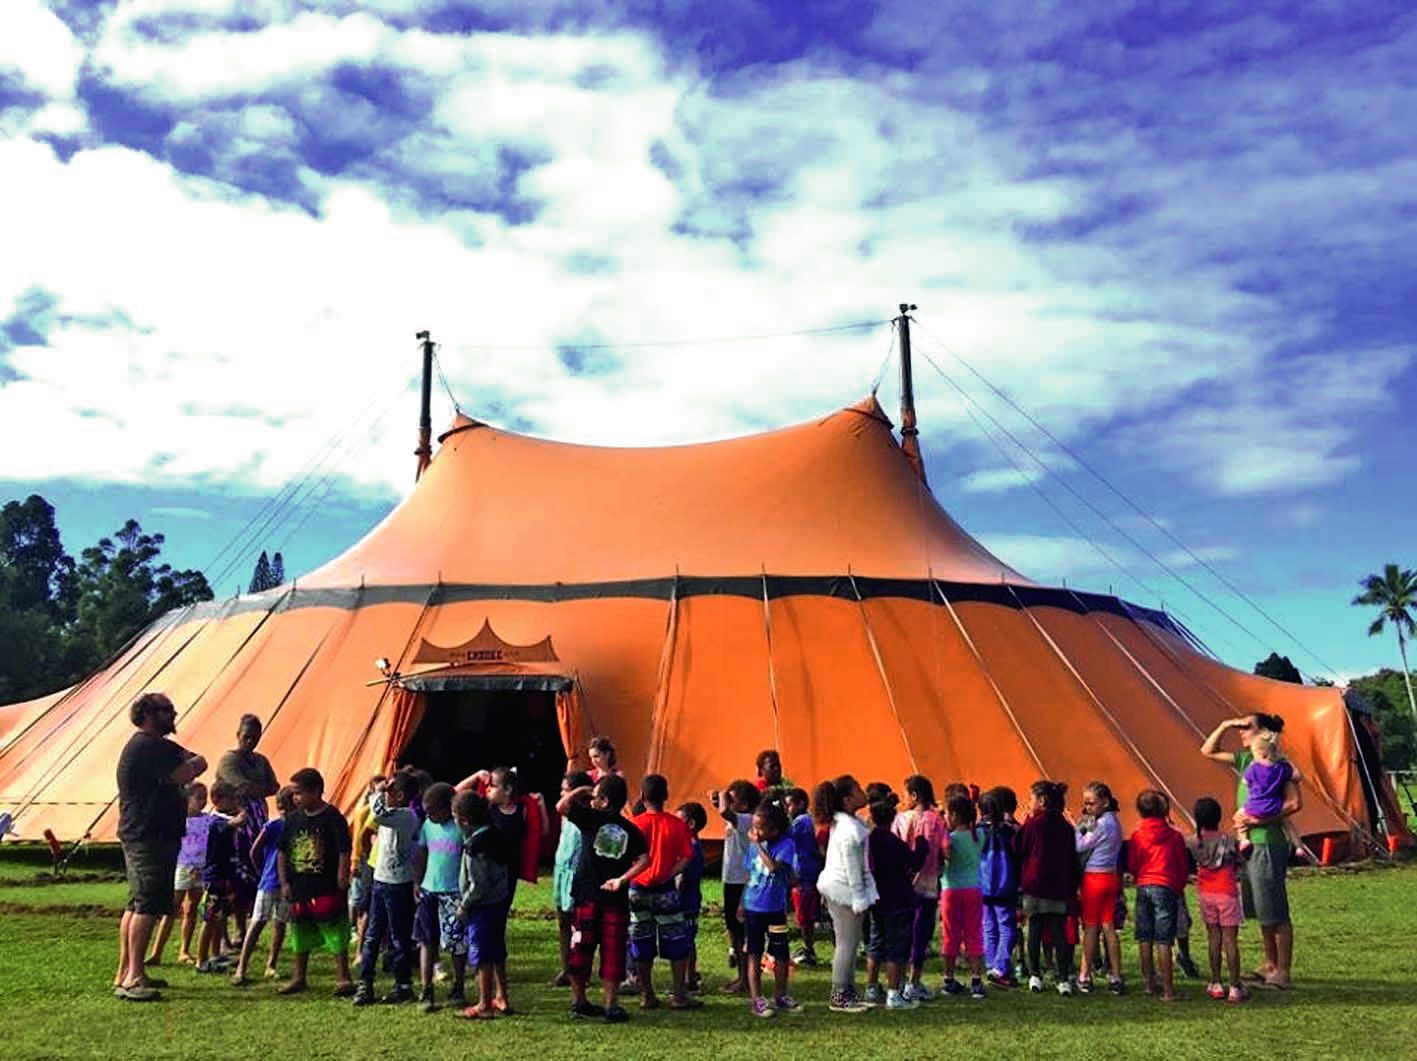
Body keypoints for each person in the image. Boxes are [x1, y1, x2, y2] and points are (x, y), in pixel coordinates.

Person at [114, 692, 207, 1002]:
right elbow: (187, 769)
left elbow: (197, 759)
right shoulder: (149, 747)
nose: (174, 714)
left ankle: (126, 971)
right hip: (149, 833)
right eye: (167, 711)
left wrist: (190, 763)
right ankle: (134, 977)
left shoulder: (152, 746)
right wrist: (189, 766)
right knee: (148, 904)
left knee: (136, 904)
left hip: (144, 832)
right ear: (149, 714)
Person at [1201, 713, 1302, 988]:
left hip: (1268, 840)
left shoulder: (1281, 764)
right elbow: (1207, 751)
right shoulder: (1247, 761)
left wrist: (1260, 820)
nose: (1242, 731)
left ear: (1264, 733)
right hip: (1249, 843)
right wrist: (1224, 724)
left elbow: (1294, 803)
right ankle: (1269, 963)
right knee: (1260, 907)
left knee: (1275, 908)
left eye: (1248, 727)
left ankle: (1283, 970)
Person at [558, 774, 650, 1023]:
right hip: (614, 900)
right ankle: (611, 1005)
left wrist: (579, 791)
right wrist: (622, 879)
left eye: (596, 797)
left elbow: (561, 807)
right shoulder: (630, 828)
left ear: (605, 801)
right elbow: (644, 859)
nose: (591, 800)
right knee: (612, 952)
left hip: (586, 897)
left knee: (581, 948)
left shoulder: (591, 818)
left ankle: (579, 1001)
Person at [278, 767, 355, 997]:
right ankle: (299, 976)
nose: (295, 798)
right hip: (299, 886)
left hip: (327, 886)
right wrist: (284, 882)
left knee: (334, 929)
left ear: (316, 791)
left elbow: (344, 848)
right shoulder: (292, 820)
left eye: (299, 793)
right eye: (293, 793)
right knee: (300, 930)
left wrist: (342, 874)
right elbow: (282, 852)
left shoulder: (333, 817)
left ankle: (343, 977)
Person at [629, 773, 698, 1010]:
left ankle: (647, 994)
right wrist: (671, 872)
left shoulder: (635, 824)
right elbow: (687, 857)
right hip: (666, 890)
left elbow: (626, 855)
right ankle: (679, 994)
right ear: (666, 796)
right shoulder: (676, 825)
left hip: (638, 887)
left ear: (641, 796)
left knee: (641, 939)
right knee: (676, 940)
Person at [354, 771, 420, 1006]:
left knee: (398, 937)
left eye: (391, 791)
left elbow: (378, 813)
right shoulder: (395, 814)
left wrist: (379, 790)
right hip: (381, 881)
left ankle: (403, 985)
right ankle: (365, 983)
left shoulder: (406, 816)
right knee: (373, 935)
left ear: (399, 795)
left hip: (398, 885)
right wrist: (383, 791)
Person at [214, 714, 279, 942]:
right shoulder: (228, 760)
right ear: (238, 735)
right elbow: (242, 787)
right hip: (237, 826)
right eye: (246, 736)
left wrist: (256, 789)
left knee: (252, 876)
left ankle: (246, 927)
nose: (250, 741)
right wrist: (258, 788)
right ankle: (234, 930)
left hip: (258, 822)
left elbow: (274, 786)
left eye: (255, 737)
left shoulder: (260, 760)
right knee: (234, 879)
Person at [815, 775, 875, 1014]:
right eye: (859, 789)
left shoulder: (849, 823)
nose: (864, 793)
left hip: (843, 889)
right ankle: (840, 994)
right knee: (847, 944)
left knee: (849, 941)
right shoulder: (849, 828)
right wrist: (859, 895)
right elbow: (852, 864)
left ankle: (847, 991)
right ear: (848, 799)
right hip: (845, 891)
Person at [1017, 780, 1081, 995]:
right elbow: (1073, 858)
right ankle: (1063, 977)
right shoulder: (1065, 827)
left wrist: (1027, 819)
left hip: (1035, 885)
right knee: (1058, 933)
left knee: (1035, 929)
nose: (1029, 803)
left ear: (1042, 801)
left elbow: (1017, 846)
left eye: (1031, 799)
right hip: (1059, 886)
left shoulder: (1034, 825)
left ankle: (1036, 974)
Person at [452, 788, 509, 1020]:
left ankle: (484, 1003)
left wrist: (464, 905)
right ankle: (502, 996)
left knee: (482, 954)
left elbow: (478, 884)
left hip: (482, 906)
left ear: (464, 821)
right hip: (499, 901)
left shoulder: (475, 846)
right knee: (497, 951)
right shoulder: (495, 832)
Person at [739, 800, 799, 1017]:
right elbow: (749, 875)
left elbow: (774, 868)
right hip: (753, 909)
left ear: (774, 829)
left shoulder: (786, 845)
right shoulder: (756, 847)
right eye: (753, 827)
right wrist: (741, 903)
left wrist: (757, 845)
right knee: (754, 953)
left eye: (760, 828)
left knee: (780, 953)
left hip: (775, 910)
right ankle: (757, 999)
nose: (754, 832)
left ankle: (780, 995)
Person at [1127, 789, 1188, 1002]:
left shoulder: (1137, 835)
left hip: (1144, 885)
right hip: (1166, 886)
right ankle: (1169, 990)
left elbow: (1133, 863)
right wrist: (1178, 886)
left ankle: (1148, 983)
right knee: (1164, 939)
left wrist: (1140, 876)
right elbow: (1182, 865)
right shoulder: (1174, 836)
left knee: (1145, 936)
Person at [411, 782, 466, 1013]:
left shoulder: (460, 828)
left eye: (433, 810)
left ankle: (458, 985)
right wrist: (417, 881)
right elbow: (422, 853)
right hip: (429, 890)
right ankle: (426, 988)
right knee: (427, 940)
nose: (429, 814)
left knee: (455, 943)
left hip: (453, 892)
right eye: (426, 810)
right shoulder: (427, 826)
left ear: (447, 807)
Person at [232, 785, 296, 985]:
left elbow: (254, 851)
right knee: (261, 922)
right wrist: (261, 871)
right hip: (270, 881)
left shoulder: (288, 825)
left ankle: (269, 964)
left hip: (280, 881)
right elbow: (255, 851)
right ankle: (244, 966)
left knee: (278, 922)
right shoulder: (275, 826)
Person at [146, 781, 211, 968]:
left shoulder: (208, 819)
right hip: (182, 867)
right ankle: (156, 952)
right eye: (198, 797)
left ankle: (184, 950)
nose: (203, 801)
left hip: (200, 868)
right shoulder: (178, 820)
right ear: (187, 799)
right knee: (171, 909)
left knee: (191, 910)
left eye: (204, 798)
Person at [1189, 796, 1247, 1003]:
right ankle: (1235, 985)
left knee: (1213, 938)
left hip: (1206, 894)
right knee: (1230, 940)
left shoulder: (1194, 842)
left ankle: (1215, 982)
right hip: (1227, 893)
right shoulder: (1229, 841)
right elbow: (1241, 861)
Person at [893, 774, 946, 1000]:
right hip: (928, 884)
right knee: (921, 933)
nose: (903, 799)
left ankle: (900, 980)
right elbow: (945, 850)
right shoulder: (938, 821)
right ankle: (914, 981)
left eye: (905, 794)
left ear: (914, 796)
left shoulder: (901, 819)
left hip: (903, 884)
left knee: (903, 932)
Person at [1075, 780, 1125, 995]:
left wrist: (1077, 828)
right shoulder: (1114, 822)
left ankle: (1085, 975)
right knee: (1109, 927)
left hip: (1095, 878)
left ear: (1104, 802)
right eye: (1085, 803)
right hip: (1111, 876)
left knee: (1091, 928)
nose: (1087, 807)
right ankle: (1115, 975)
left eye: (1091, 803)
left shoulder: (1101, 824)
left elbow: (1080, 845)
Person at [713, 779, 760, 993]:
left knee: (742, 932)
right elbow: (722, 809)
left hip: (742, 882)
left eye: (733, 799)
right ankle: (742, 976)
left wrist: (723, 793)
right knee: (734, 928)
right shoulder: (739, 819)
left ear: (743, 804)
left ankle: (745, 979)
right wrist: (720, 798)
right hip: (732, 880)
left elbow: (724, 811)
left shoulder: (748, 819)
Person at [938, 793, 987, 1000]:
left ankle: (949, 978)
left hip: (951, 890)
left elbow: (946, 854)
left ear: (955, 815)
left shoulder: (949, 839)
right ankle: (976, 979)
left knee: (951, 935)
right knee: (974, 934)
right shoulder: (980, 836)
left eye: (947, 813)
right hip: (973, 889)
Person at [196, 780, 247, 972]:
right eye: (231, 799)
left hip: (225, 875)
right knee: (210, 918)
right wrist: (243, 810)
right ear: (217, 799)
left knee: (220, 918)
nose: (234, 803)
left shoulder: (223, 819)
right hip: (214, 877)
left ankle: (215, 954)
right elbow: (236, 822)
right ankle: (201, 959)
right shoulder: (215, 821)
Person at [552, 770, 593, 988]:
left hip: (578, 875)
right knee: (563, 923)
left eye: (565, 790)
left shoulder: (585, 814)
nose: (561, 794)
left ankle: (580, 970)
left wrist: (580, 791)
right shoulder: (566, 816)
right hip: (562, 871)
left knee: (580, 926)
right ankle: (566, 968)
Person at [977, 787, 1021, 989]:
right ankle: (1001, 967)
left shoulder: (977, 831)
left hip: (983, 884)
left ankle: (992, 963)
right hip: (1005, 884)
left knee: (989, 925)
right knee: (1007, 927)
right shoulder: (1010, 831)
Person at [348, 773, 385, 965]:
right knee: (365, 907)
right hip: (369, 861)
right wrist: (357, 860)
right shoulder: (365, 812)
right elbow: (359, 837)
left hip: (384, 865)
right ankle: (360, 950)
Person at [784, 787, 823, 967]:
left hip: (805, 874)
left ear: (800, 804)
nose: (787, 808)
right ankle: (807, 948)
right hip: (804, 873)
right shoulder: (805, 820)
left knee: (804, 914)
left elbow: (785, 835)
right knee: (803, 913)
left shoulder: (801, 821)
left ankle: (809, 950)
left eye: (789, 805)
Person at [676, 801, 708, 993]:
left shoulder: (691, 848)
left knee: (686, 941)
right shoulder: (693, 846)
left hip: (686, 901)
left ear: (691, 824)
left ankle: (689, 979)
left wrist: (675, 896)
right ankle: (689, 976)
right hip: (690, 900)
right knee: (686, 940)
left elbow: (682, 878)